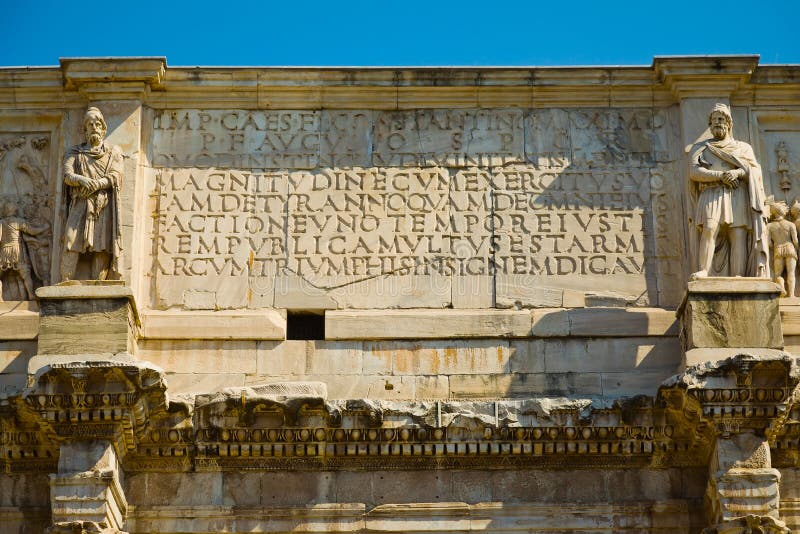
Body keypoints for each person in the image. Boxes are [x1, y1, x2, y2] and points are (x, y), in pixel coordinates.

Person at [688, 103, 769, 279]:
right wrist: (720, 175)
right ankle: (703, 270)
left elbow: (755, 171)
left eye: (721, 119)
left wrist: (737, 172)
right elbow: (693, 172)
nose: (717, 122)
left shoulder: (743, 147)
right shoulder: (701, 148)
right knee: (709, 229)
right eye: (714, 120)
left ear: (729, 123)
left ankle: (738, 275)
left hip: (737, 194)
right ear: (709, 124)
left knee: (737, 234)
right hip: (711, 192)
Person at [60, 107, 123, 281]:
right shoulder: (75, 152)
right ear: (85, 130)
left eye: (97, 124)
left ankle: (98, 283)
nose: (94, 127)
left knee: (101, 244)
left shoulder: (113, 153)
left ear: (103, 129)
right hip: (81, 201)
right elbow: (67, 174)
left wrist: (98, 184)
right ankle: (65, 280)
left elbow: (116, 175)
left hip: (102, 203)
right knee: (71, 239)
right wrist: (82, 180)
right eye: (90, 124)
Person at [0, 199, 48, 300]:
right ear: (15, 210)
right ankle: (31, 294)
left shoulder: (1, 223)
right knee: (25, 274)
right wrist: (44, 228)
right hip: (17, 250)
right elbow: (32, 231)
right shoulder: (18, 221)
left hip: (4, 250)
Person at [765, 199, 798, 297]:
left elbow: (769, 243)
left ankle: (781, 288)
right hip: (790, 248)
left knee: (777, 274)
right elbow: (795, 240)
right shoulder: (790, 224)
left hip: (778, 249)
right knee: (791, 273)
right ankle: (791, 295)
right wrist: (797, 249)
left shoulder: (769, 226)